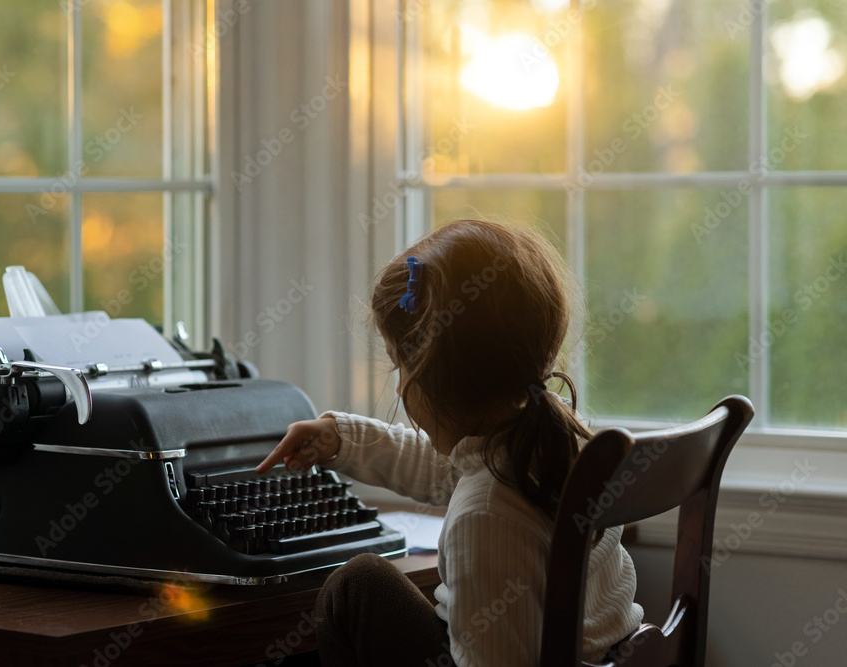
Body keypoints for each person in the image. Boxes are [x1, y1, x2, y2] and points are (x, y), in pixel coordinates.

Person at [256, 219, 643, 666]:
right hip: (599, 651)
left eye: (401, 366)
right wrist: (343, 439)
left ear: (439, 376)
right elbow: (449, 471)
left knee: (357, 585)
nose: (398, 387)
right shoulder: (551, 438)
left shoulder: (487, 514)